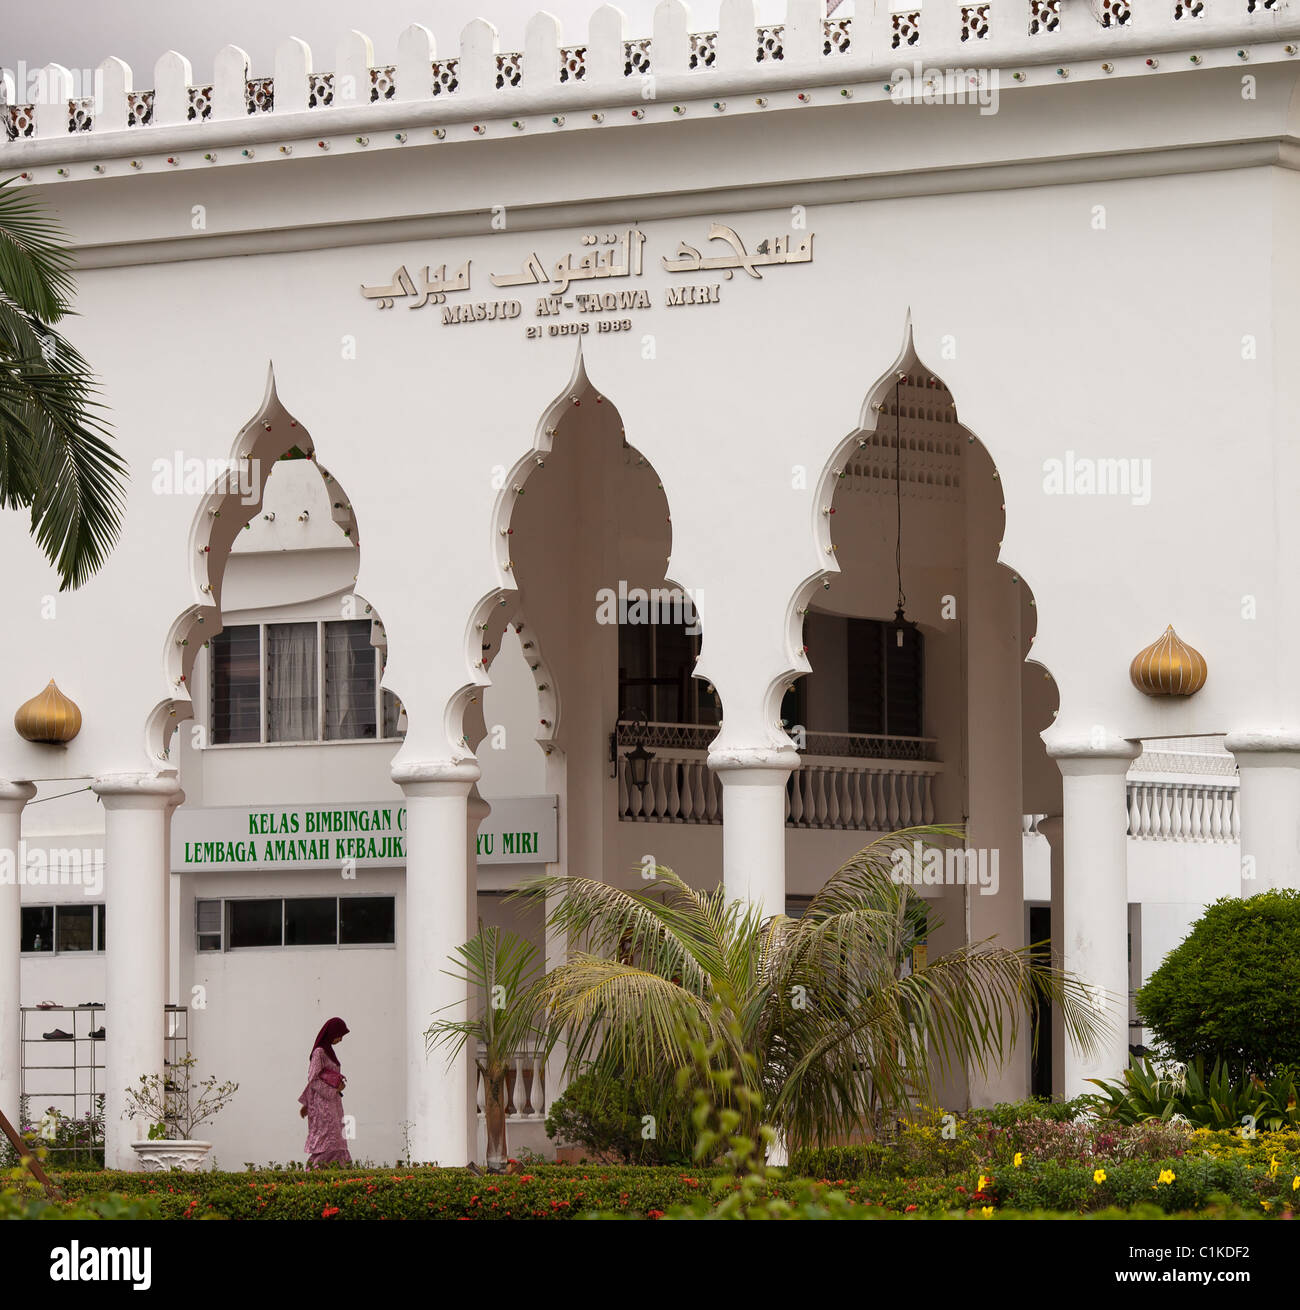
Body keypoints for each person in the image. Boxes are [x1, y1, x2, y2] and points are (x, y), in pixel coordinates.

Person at [298, 1017, 352, 1167]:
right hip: (323, 1105)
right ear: (332, 1033)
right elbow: (313, 1079)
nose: (340, 1039)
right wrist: (334, 1089)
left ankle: (339, 1170)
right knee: (327, 1139)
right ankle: (316, 1170)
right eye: (339, 1035)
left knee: (337, 1138)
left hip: (333, 1102)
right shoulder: (319, 1052)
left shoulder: (328, 1052)